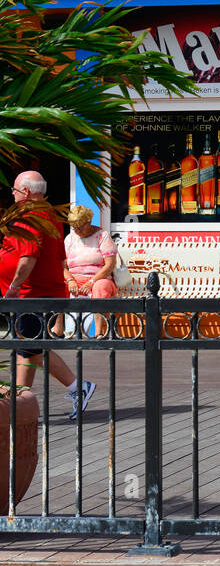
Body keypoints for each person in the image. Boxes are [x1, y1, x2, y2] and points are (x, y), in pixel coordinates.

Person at [0, 170, 96, 419]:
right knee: (27, 346)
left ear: (26, 192)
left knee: (33, 344)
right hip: (46, 290)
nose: (12, 193)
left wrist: (13, 288)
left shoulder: (30, 217)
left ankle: (78, 387)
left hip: (32, 293)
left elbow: (28, 257)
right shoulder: (50, 215)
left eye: (15, 189)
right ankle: (20, 401)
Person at [62, 204, 117, 339]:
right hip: (75, 278)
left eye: (80, 226)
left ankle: (99, 332)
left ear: (89, 222)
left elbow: (110, 265)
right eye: (74, 227)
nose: (77, 230)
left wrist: (92, 282)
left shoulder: (102, 236)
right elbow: (63, 266)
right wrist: (70, 280)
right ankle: (59, 329)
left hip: (98, 277)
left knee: (100, 287)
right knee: (57, 284)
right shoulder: (69, 238)